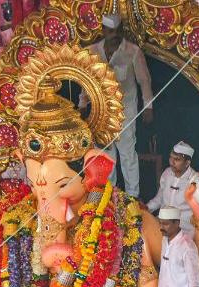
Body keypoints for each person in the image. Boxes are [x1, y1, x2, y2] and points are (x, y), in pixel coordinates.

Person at [84, 15, 154, 194]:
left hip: (126, 113)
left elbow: (144, 81)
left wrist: (148, 107)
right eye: (110, 31)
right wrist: (82, 103)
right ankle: (109, 197)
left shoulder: (133, 51)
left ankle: (132, 199)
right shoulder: (92, 51)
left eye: (117, 31)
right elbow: (86, 81)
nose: (114, 35)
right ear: (103, 31)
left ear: (122, 30)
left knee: (128, 155)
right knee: (106, 157)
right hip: (101, 115)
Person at [147, 142, 199, 232]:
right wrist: (146, 208)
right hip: (163, 223)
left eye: (177, 159)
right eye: (171, 157)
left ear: (187, 163)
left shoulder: (196, 180)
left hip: (184, 228)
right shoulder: (167, 173)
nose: (172, 162)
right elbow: (159, 199)